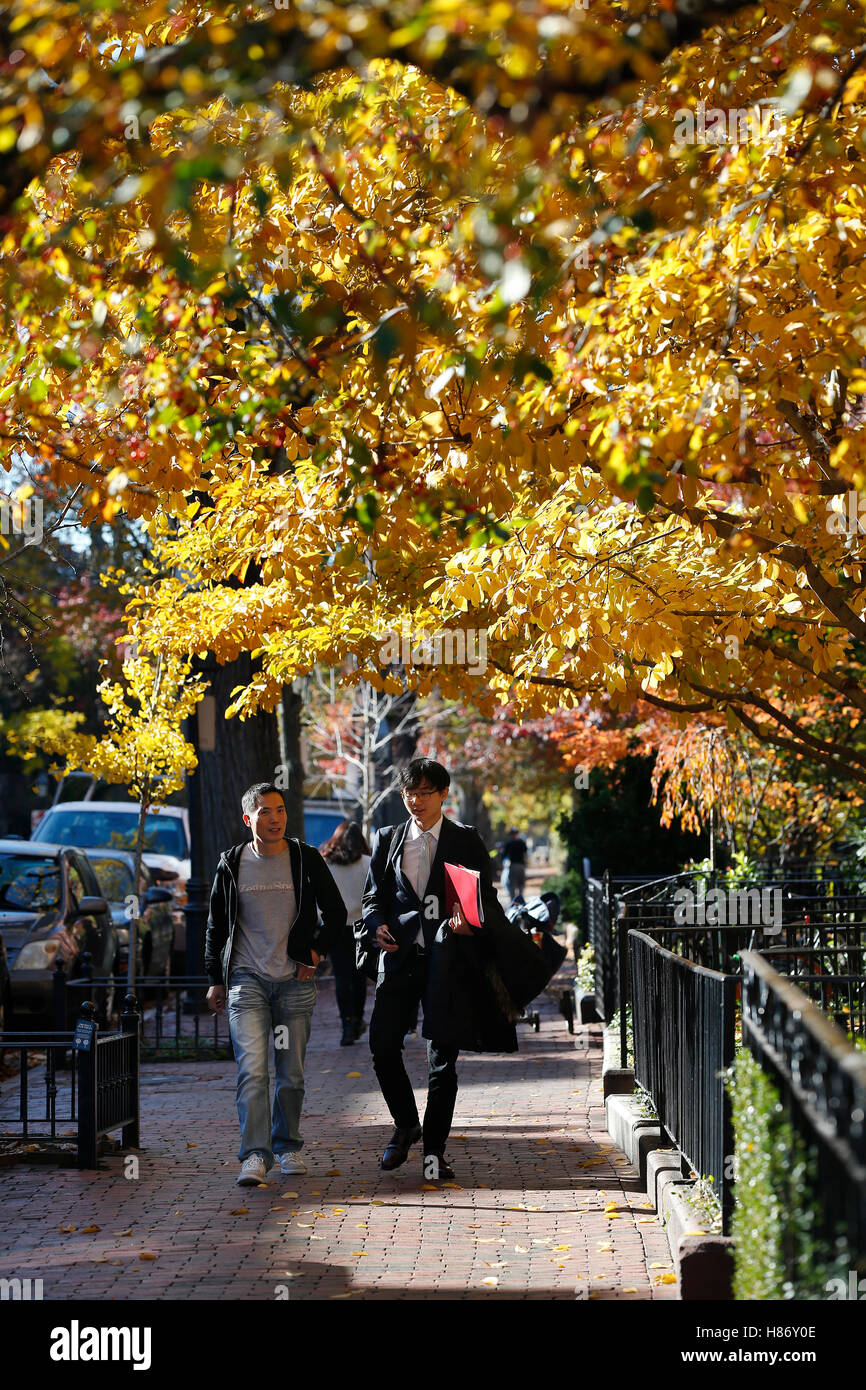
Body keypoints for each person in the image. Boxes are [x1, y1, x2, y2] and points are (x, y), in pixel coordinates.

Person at [360, 758, 528, 1181]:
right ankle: (406, 1124)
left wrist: (467, 921)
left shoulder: (466, 840)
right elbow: (372, 899)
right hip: (398, 959)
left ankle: (434, 1151)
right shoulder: (387, 838)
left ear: (443, 795)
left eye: (425, 793)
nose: (416, 801)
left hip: (447, 963)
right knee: (381, 1044)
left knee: (442, 1062)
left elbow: (484, 899)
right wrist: (377, 924)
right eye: (409, 793)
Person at [204, 782, 347, 1186]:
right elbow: (216, 926)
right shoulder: (231, 864)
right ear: (248, 819)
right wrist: (215, 979)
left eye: (280, 810)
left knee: (291, 1072)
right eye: (265, 812)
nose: (275, 819)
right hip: (246, 980)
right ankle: (254, 1155)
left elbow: (336, 913)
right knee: (252, 1071)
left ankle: (287, 1145)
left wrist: (315, 952)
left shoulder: (304, 859)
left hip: (293, 983)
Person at [319, 819, 371, 1046]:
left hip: (335, 927)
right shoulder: (368, 863)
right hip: (362, 926)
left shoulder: (327, 865)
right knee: (359, 977)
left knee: (341, 976)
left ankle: (346, 1025)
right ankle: (358, 1019)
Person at [501, 827, 528, 903]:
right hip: (521, 866)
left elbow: (504, 855)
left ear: (511, 835)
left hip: (513, 866)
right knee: (521, 885)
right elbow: (525, 851)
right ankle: (521, 900)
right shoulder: (522, 842)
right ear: (518, 834)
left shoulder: (509, 844)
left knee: (512, 885)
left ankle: (513, 902)